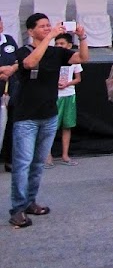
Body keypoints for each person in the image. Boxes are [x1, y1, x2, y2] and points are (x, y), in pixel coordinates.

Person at [9, 16, 88, 228]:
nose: (47, 28)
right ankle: (17, 209)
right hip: (26, 117)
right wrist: (50, 36)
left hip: (49, 115)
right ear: (30, 31)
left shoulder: (56, 52)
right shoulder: (24, 51)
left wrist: (82, 37)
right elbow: (30, 63)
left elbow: (83, 58)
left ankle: (30, 202)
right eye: (42, 27)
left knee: (37, 163)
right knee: (22, 164)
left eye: (48, 25)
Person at [48, 33, 82, 167]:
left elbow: (78, 78)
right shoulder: (52, 59)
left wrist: (68, 84)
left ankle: (65, 154)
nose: (58, 46)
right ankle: (48, 155)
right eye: (56, 44)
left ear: (69, 45)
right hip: (55, 96)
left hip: (69, 95)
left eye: (61, 44)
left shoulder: (74, 59)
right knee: (51, 126)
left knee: (67, 126)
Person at [0, 14, 21, 172]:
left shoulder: (9, 40)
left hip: (10, 90)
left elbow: (17, 60)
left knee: (11, 125)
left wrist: (11, 69)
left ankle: (10, 160)